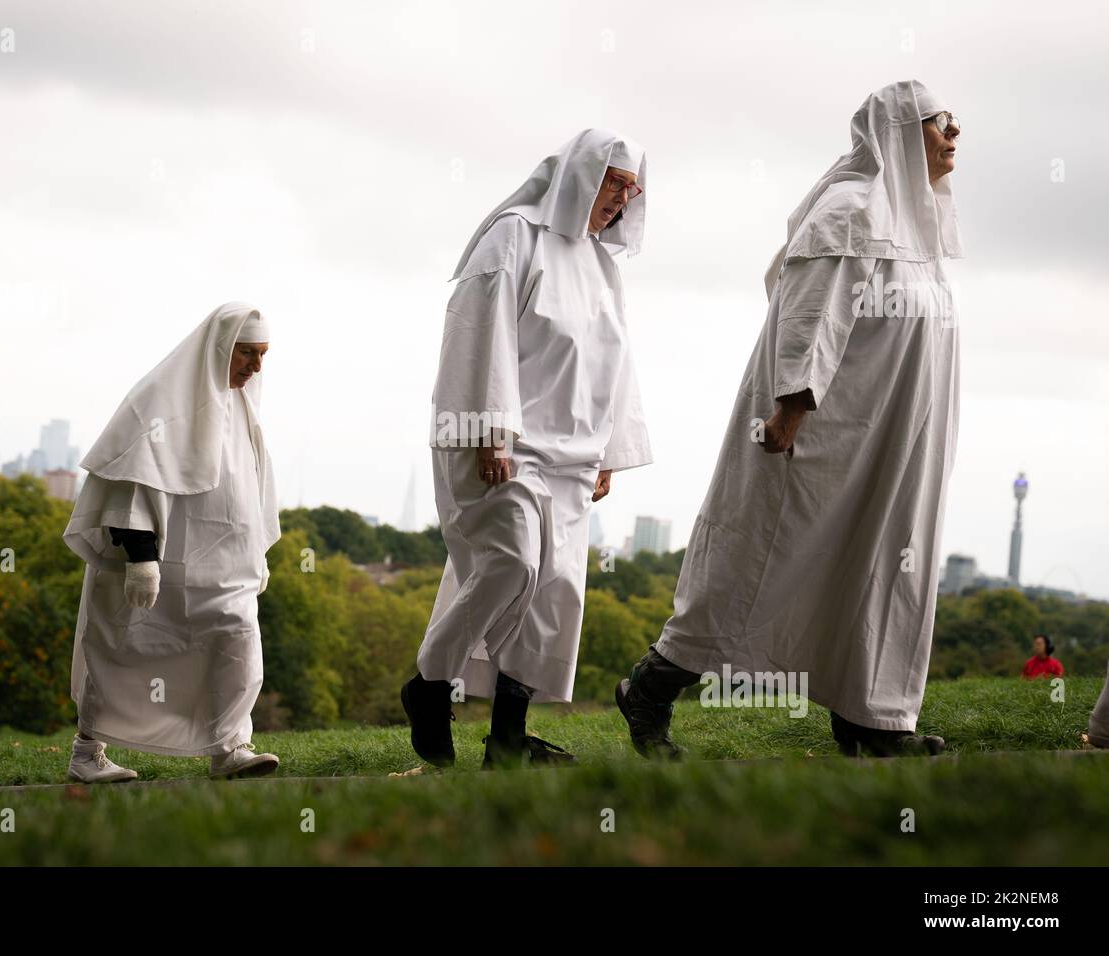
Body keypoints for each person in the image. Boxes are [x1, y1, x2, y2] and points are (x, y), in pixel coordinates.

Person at [617, 80, 962, 760]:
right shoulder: (852, 209)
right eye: (940, 122)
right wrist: (790, 406)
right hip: (824, 436)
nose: (955, 135)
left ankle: (874, 720)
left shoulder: (922, 233)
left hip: (898, 441)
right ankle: (652, 687)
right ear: (898, 130)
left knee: (887, 565)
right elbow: (811, 310)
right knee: (758, 560)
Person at [403, 128, 653, 770]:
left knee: (554, 595)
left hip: (573, 456)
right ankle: (428, 685)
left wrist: (610, 453)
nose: (621, 200)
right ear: (578, 175)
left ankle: (507, 741)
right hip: (504, 444)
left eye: (632, 190)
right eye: (613, 183)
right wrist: (488, 428)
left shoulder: (601, 266)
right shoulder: (513, 235)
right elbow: (476, 334)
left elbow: (613, 364)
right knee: (512, 564)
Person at [64, 303, 281, 783]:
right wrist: (141, 556)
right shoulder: (160, 399)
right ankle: (87, 752)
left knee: (238, 643)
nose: (256, 366)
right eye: (247, 352)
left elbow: (254, 485)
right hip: (158, 564)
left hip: (227, 569)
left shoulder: (243, 410)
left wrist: (257, 554)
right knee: (120, 647)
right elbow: (129, 477)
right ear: (221, 346)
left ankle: (230, 747)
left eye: (263, 355)